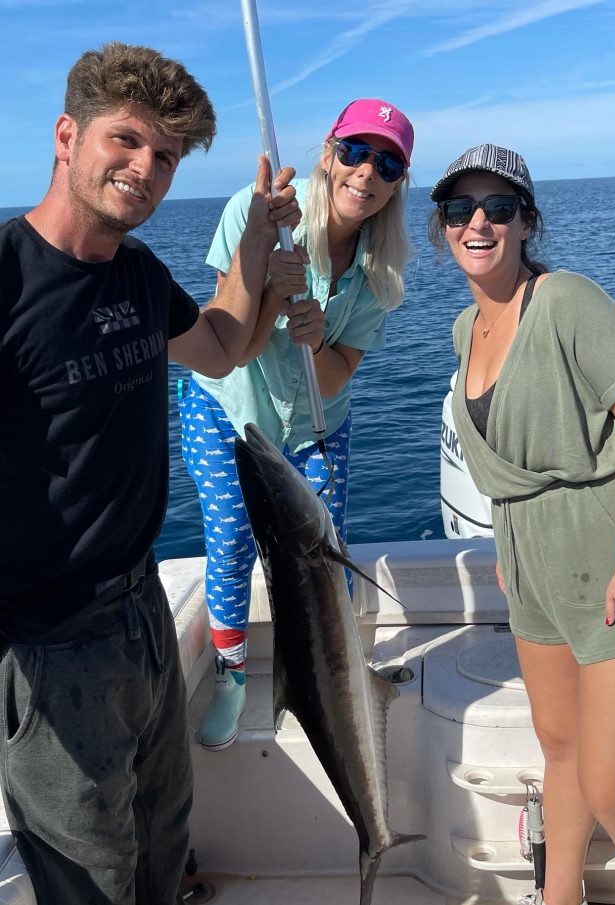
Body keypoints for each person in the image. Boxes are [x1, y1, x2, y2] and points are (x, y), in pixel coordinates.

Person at [0, 42, 301, 905]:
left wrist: (254, 240)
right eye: (125, 141)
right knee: (90, 878)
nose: (145, 168)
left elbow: (221, 345)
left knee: (162, 839)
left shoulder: (137, 274)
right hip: (50, 640)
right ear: (68, 135)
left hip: (143, 617)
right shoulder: (7, 277)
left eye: (165, 156)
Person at [430, 145, 615, 905]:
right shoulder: (461, 332)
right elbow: (511, 466)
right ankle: (560, 897)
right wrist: (513, 548)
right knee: (561, 746)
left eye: (498, 209)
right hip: (536, 574)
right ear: (442, 227)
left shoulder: (567, 299)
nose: (477, 222)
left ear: (526, 223)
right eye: (459, 210)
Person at [179, 98, 414, 751]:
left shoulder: (381, 273)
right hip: (229, 404)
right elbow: (229, 346)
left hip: (315, 421)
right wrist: (274, 294)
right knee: (230, 538)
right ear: (328, 152)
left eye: (387, 162)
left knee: (324, 551)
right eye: (355, 151)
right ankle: (230, 674)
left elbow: (338, 376)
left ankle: (336, 672)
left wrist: (314, 340)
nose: (366, 172)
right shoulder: (256, 212)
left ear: (398, 183)